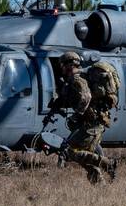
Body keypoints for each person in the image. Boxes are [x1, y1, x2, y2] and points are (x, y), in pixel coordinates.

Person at [48, 51, 117, 185]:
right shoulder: (75, 79)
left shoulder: (77, 78)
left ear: (68, 65)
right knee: (84, 155)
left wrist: (77, 114)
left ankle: (109, 164)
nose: (61, 68)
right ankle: (99, 185)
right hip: (90, 121)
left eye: (62, 65)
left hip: (93, 121)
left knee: (70, 151)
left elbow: (86, 97)